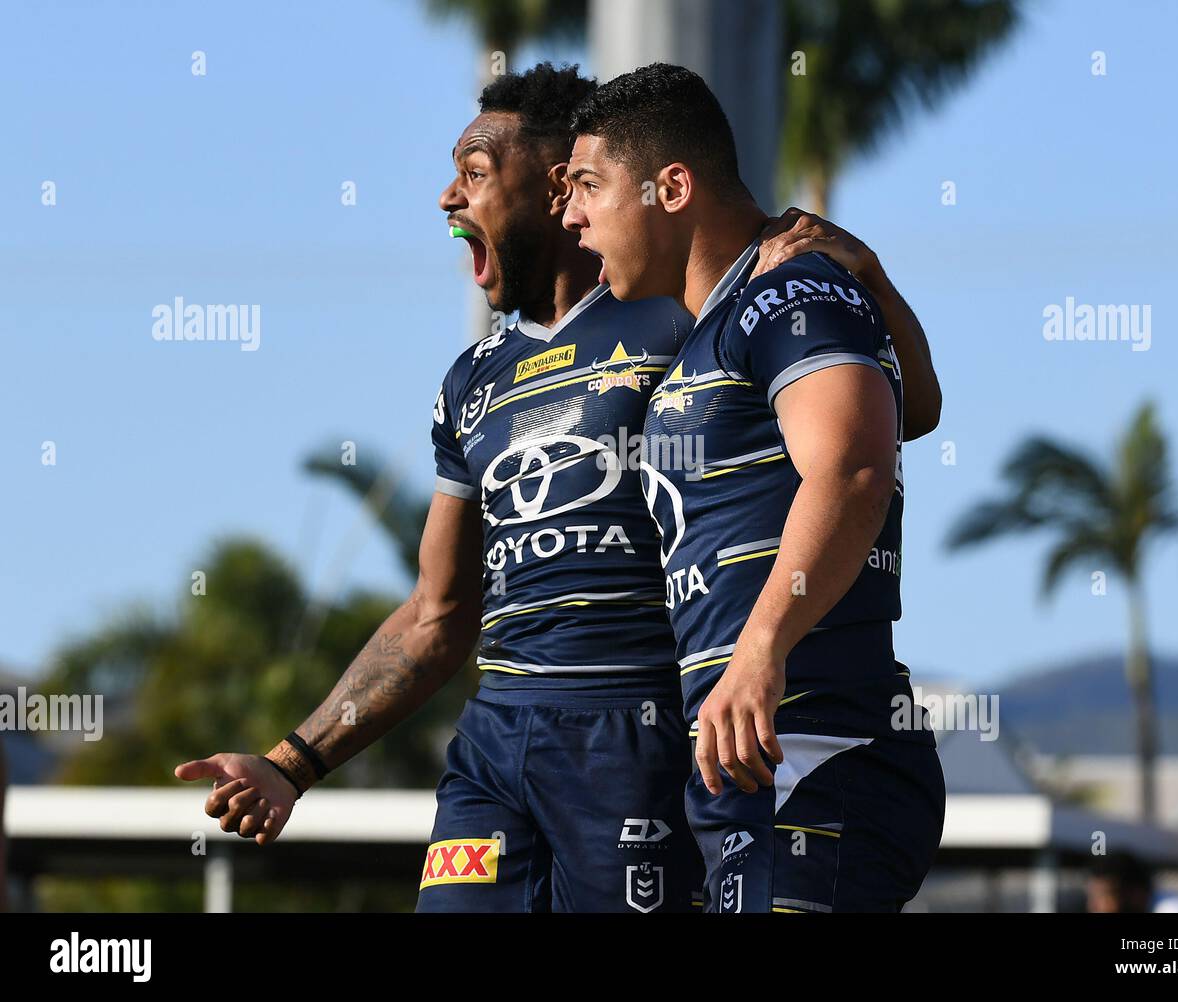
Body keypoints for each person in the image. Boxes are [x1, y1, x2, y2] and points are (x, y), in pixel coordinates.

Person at [176, 62, 940, 913]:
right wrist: (292, 763)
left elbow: (881, 429)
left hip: (653, 738)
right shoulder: (473, 380)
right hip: (500, 739)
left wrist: (861, 274)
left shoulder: (692, 305)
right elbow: (437, 612)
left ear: (552, 188)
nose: (446, 200)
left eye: (474, 174)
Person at [563, 62, 946, 913]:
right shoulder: (721, 322)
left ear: (672, 186)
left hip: (819, 748)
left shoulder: (783, 291)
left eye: (589, 184)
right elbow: (915, 409)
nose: (571, 214)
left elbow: (854, 464)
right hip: (755, 760)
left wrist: (761, 648)